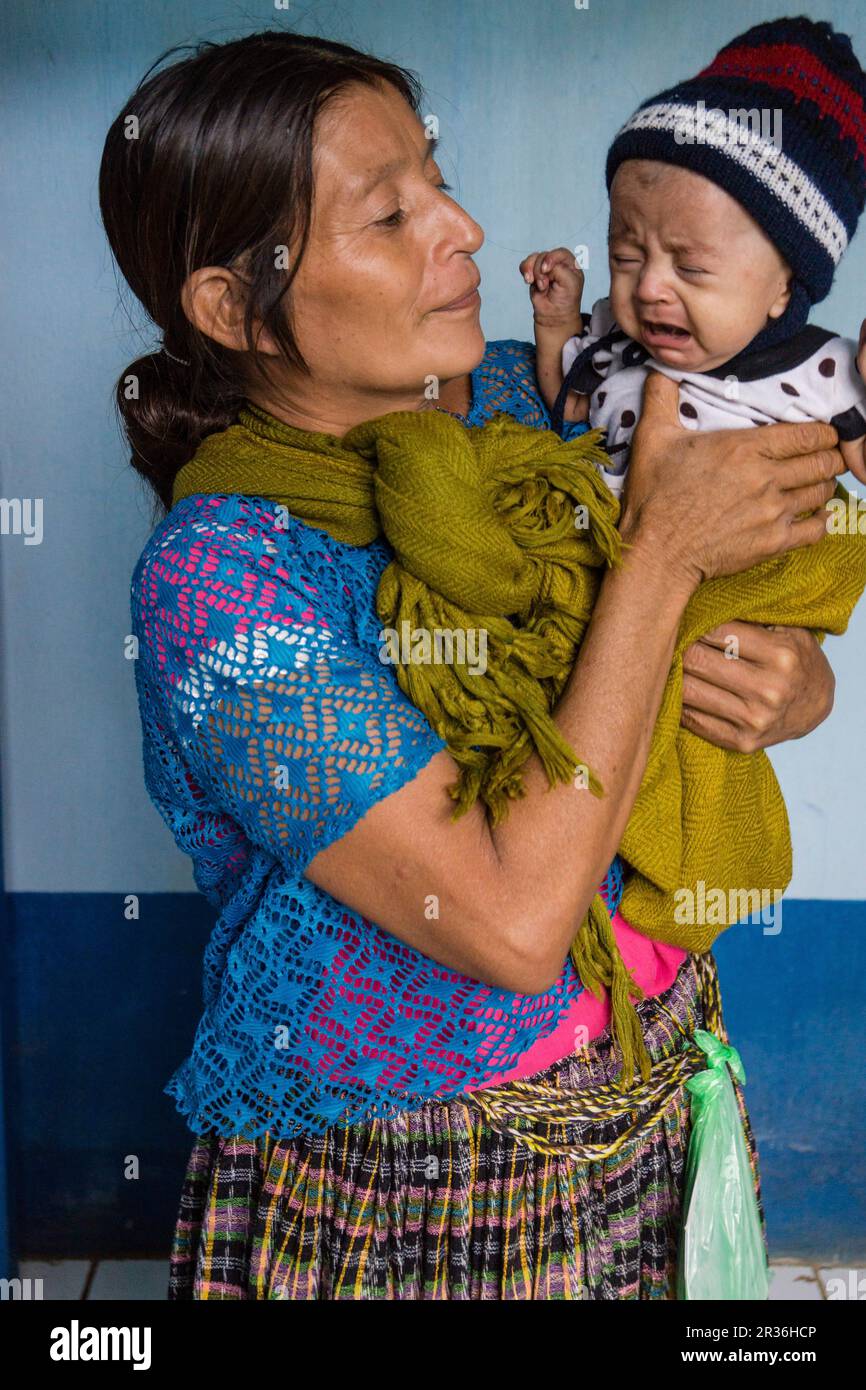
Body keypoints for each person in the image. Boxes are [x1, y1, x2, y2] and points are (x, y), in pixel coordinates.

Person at [100, 30, 841, 1299]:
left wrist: (792, 685)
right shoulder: (220, 581)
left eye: (434, 176)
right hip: (410, 1190)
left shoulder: (520, 400)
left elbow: (738, 613)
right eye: (390, 214)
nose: (466, 227)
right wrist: (658, 561)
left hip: (649, 1085)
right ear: (232, 305)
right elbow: (503, 923)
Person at [525, 15, 866, 497]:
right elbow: (570, 405)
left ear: (784, 288)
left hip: (763, 563)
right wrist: (557, 319)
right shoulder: (617, 340)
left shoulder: (823, 369)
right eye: (627, 257)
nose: (647, 288)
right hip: (619, 551)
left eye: (690, 268)